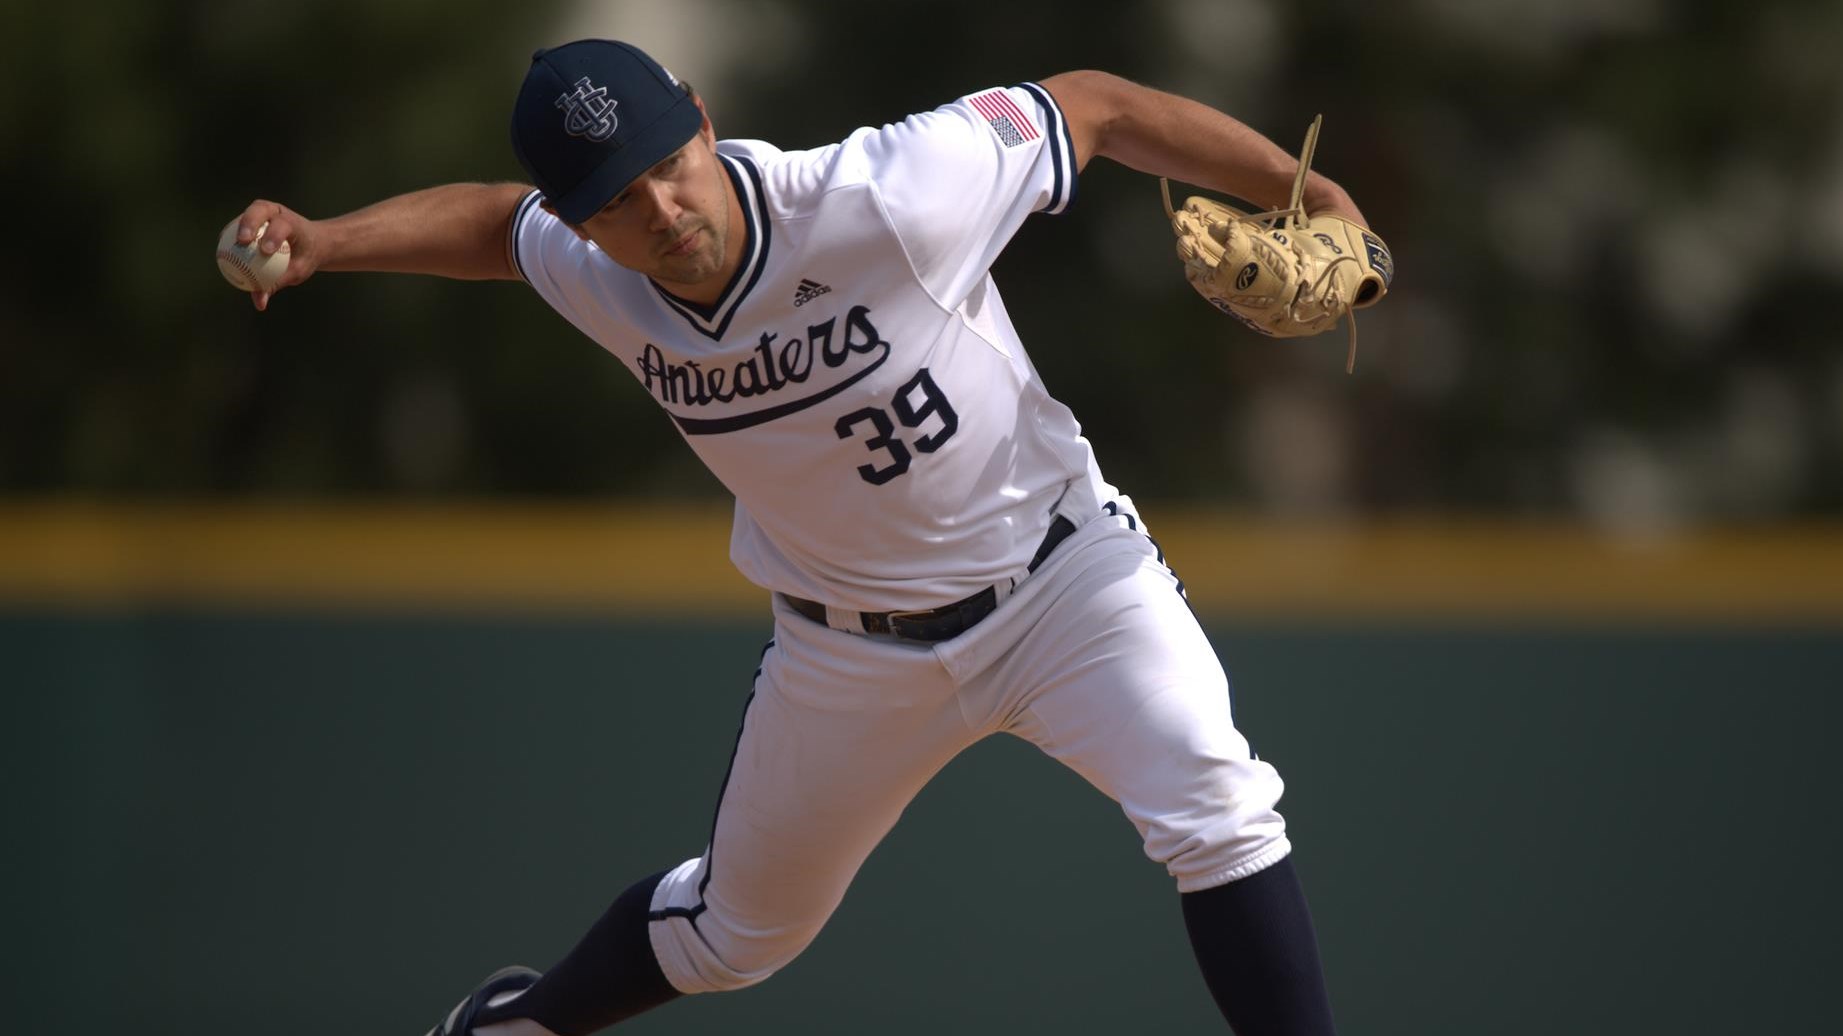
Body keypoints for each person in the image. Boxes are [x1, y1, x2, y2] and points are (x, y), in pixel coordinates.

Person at [230, 38, 1371, 1036]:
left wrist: (1314, 195)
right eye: (616, 200)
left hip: (1062, 581)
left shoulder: (887, 192)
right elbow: (497, 222)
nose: (660, 210)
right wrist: (327, 240)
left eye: (667, 163)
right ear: (579, 220)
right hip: (849, 651)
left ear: (701, 121)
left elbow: (1097, 105)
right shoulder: (597, 273)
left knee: (1218, 810)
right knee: (731, 939)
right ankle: (519, 1023)